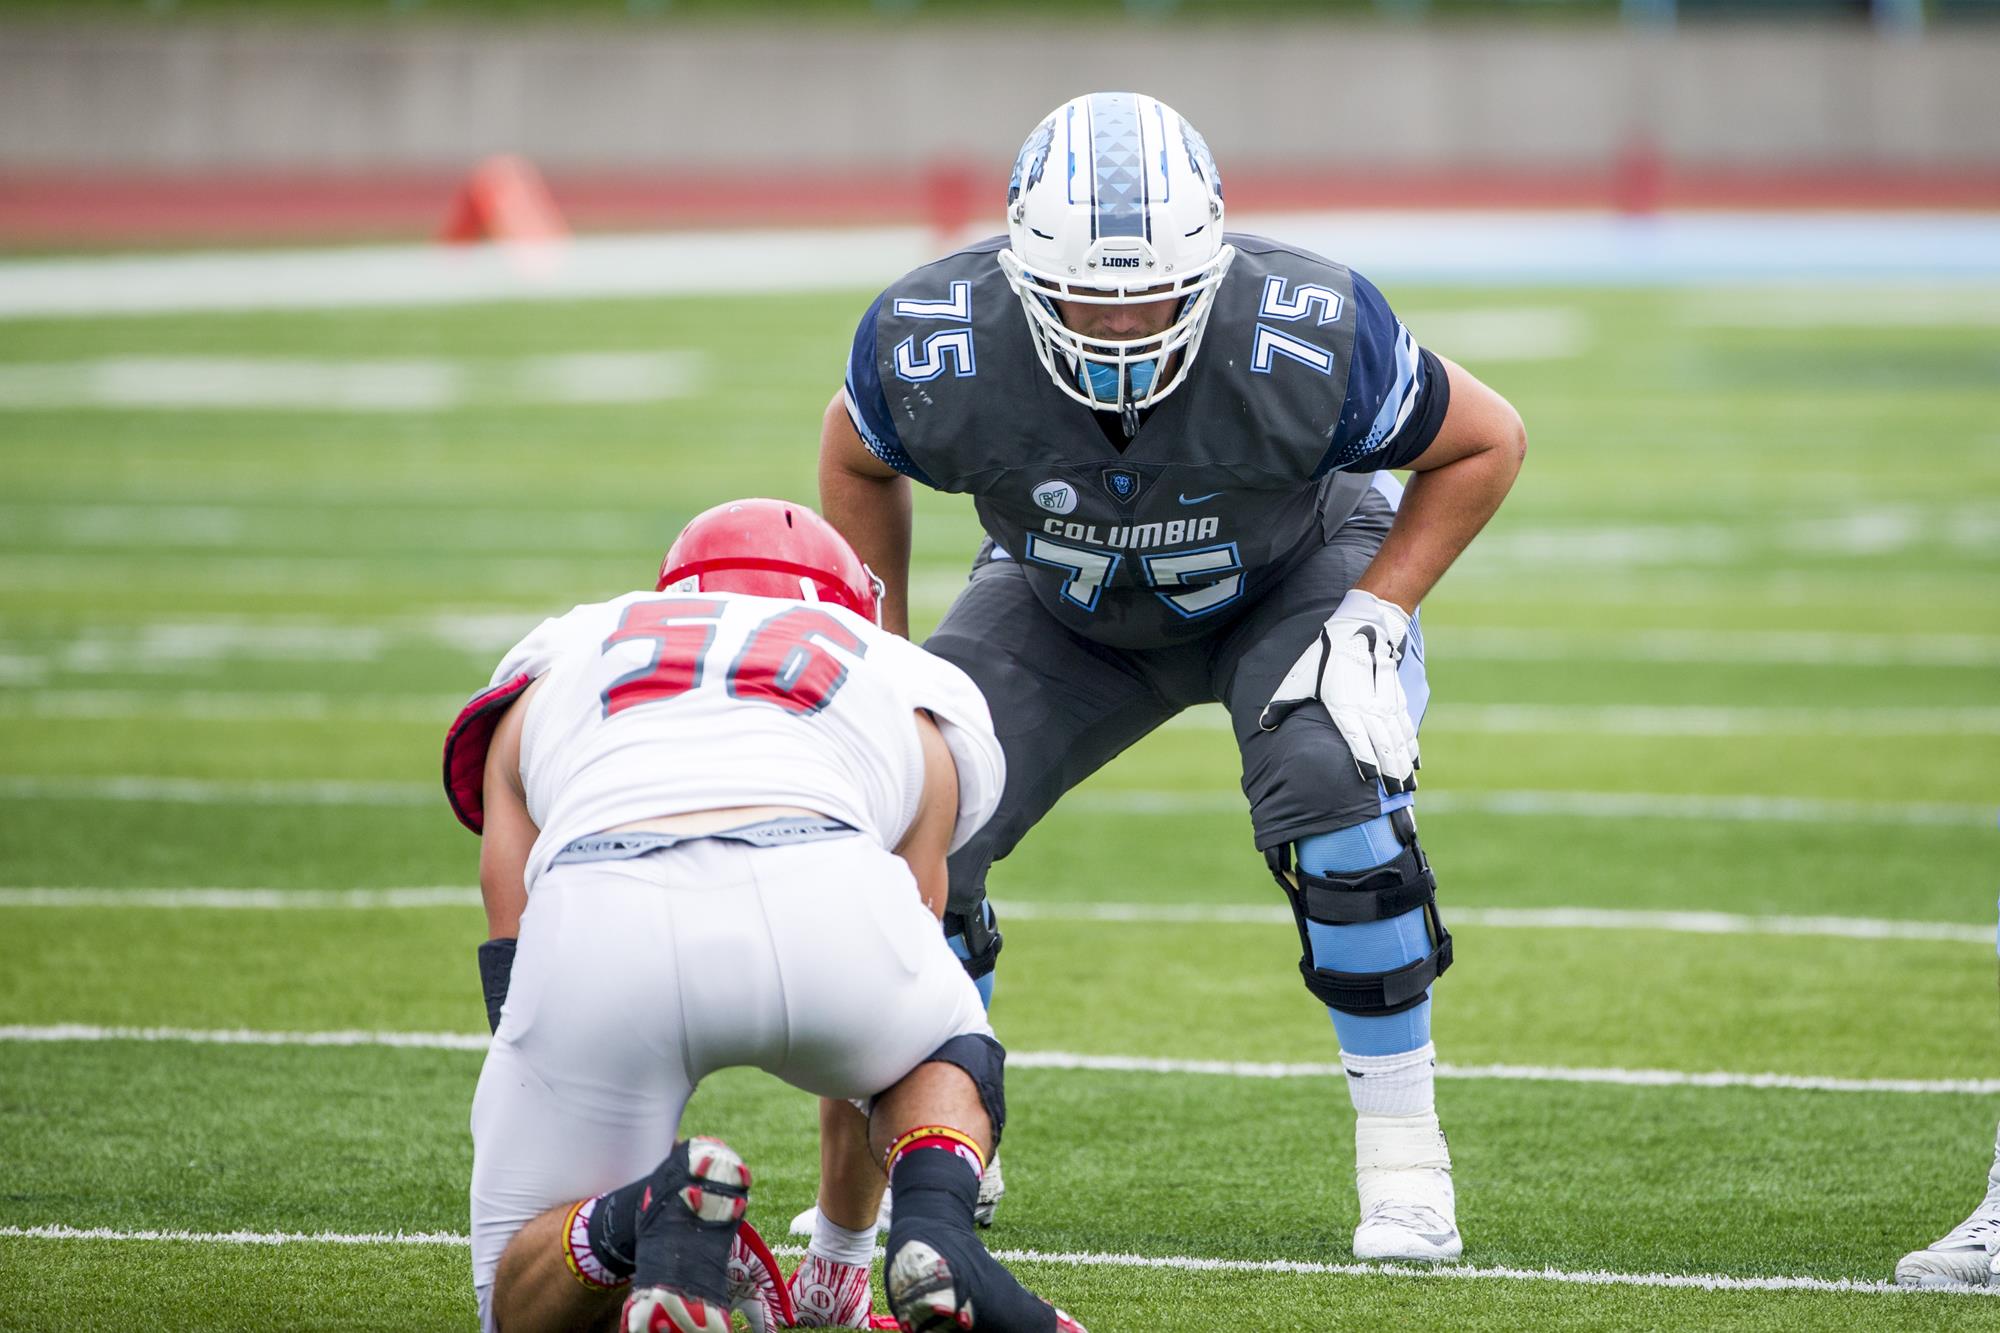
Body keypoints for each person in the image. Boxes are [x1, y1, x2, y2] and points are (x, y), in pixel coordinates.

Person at [804, 90, 1527, 1268]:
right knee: (909, 797)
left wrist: (1375, 613)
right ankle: (940, 1136)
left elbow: (1484, 437)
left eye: (1152, 293)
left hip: (1287, 570)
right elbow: (855, 448)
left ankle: (1403, 1157)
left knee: (1333, 783)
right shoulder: (935, 332)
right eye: (1091, 294)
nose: (1123, 323)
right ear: (1022, 272)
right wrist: (878, 641)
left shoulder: (1307, 327)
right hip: (1061, 595)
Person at [442, 498, 1087, 1333]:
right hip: (822, 879)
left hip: (605, 905)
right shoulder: (895, 672)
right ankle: (935, 1238)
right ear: (849, 607)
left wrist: (564, 1094)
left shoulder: (567, 652)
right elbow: (909, 947)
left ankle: (640, 1217)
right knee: (940, 1048)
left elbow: (513, 954)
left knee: (518, 1301)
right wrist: (839, 1261)